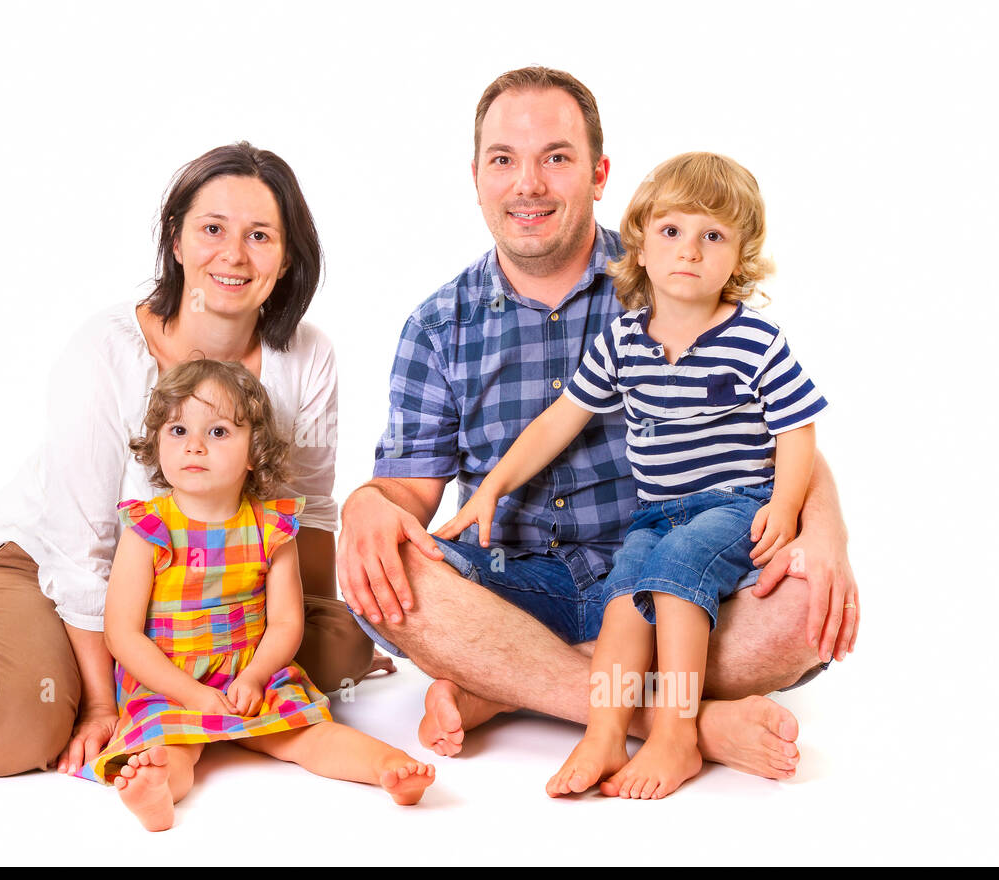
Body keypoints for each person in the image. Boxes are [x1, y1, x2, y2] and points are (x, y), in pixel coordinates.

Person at [337, 67, 860, 782]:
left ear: (598, 173)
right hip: (515, 591)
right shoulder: (437, 326)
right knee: (385, 575)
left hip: (672, 578)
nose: (529, 183)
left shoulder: (672, 274)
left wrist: (826, 533)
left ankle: (512, 688)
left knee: (805, 609)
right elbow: (405, 497)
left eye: (556, 157)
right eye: (504, 160)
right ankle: (683, 722)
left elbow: (781, 428)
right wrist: (365, 505)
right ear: (477, 177)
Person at [0, 142, 383, 777]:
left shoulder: (307, 356)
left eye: (260, 235)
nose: (234, 255)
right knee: (14, 732)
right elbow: (82, 543)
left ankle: (130, 679)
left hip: (207, 587)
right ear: (176, 240)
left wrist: (314, 629)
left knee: (343, 642)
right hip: (44, 565)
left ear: (288, 254)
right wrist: (103, 706)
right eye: (212, 229)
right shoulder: (106, 351)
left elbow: (309, 506)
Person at [437, 152, 827, 798]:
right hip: (655, 511)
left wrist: (784, 507)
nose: (690, 252)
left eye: (713, 237)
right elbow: (557, 422)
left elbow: (797, 428)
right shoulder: (624, 340)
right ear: (641, 247)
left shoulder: (755, 339)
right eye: (672, 232)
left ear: (740, 257)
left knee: (675, 570)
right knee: (625, 599)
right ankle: (605, 731)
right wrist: (494, 488)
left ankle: (675, 737)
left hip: (734, 503)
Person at [80, 360, 434, 830]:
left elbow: (287, 622)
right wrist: (193, 696)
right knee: (172, 745)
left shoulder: (272, 528)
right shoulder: (149, 527)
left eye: (219, 431)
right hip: (168, 680)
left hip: (250, 673)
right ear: (158, 443)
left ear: (253, 452)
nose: (195, 445)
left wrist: (255, 676)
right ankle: (157, 791)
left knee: (308, 734)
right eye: (179, 429)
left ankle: (386, 766)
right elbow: (122, 635)